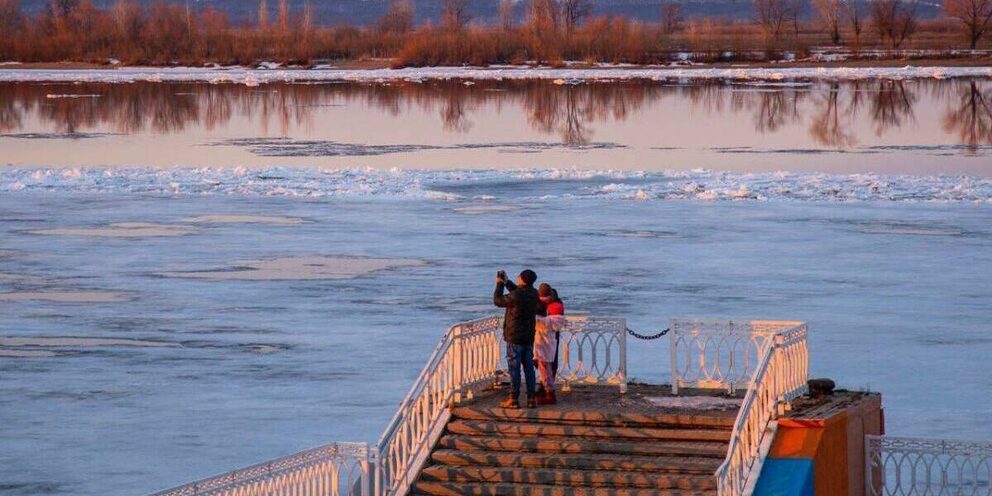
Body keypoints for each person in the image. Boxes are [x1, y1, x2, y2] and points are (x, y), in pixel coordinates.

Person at [494, 269, 542, 409]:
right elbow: (519, 292)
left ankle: (513, 399)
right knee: (529, 369)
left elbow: (498, 301)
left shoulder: (517, 295)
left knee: (514, 369)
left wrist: (499, 285)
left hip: (514, 336)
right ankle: (531, 398)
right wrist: (507, 281)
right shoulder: (534, 293)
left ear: (521, 279)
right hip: (528, 336)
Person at [535, 284, 565, 405]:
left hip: (546, 340)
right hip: (544, 340)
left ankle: (549, 393)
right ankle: (545, 389)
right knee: (543, 365)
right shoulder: (554, 303)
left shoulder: (555, 306)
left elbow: (551, 324)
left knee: (546, 366)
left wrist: (536, 318)